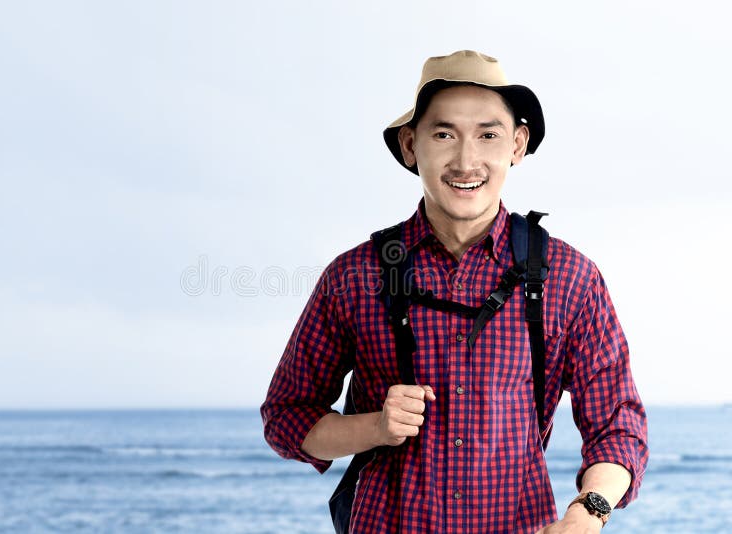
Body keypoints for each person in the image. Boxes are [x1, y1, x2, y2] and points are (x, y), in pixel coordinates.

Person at [260, 50, 648, 533]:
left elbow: (618, 426)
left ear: (517, 144)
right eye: (444, 134)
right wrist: (374, 427)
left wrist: (587, 513)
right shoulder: (353, 276)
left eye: (488, 135)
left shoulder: (570, 278)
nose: (466, 161)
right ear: (411, 145)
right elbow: (286, 419)